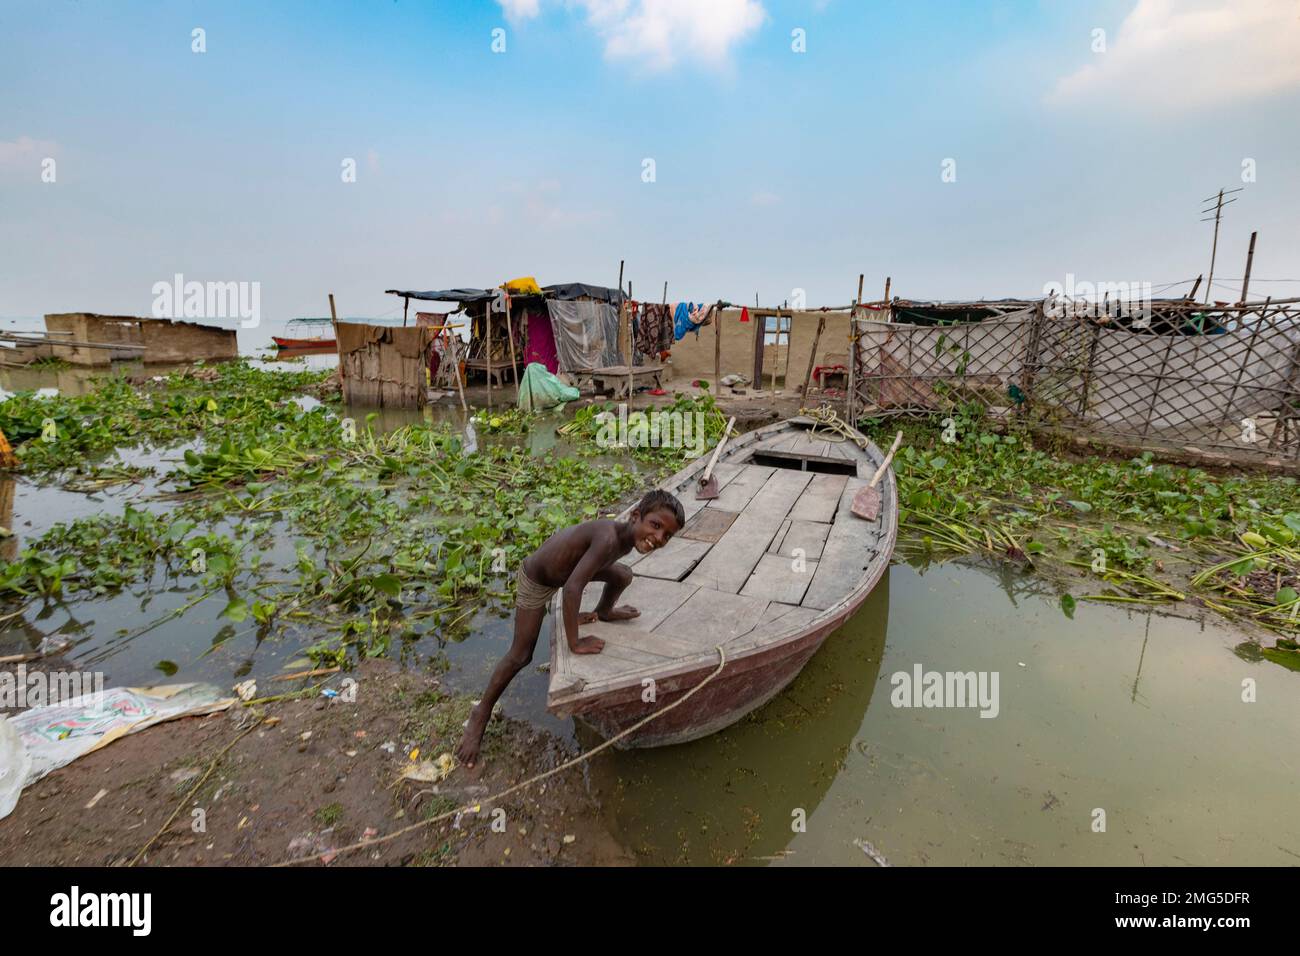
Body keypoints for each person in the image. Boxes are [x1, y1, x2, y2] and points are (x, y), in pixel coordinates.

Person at [455, 489, 685, 767]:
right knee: (521, 654)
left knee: (623, 574)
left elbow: (581, 576)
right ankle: (481, 713)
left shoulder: (625, 538)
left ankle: (604, 611)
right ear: (636, 516)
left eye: (667, 535)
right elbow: (574, 588)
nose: (659, 538)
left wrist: (579, 610)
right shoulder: (608, 537)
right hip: (538, 578)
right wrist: (575, 641)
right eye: (656, 526)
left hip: (565, 573)